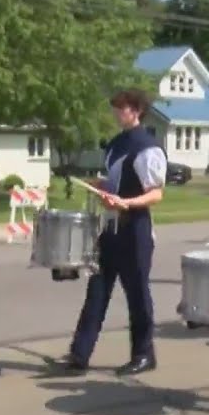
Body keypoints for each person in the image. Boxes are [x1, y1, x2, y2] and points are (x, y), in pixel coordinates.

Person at [53, 89, 167, 377]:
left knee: (137, 294)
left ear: (137, 110)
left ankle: (144, 354)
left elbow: (155, 194)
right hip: (111, 229)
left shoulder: (147, 146)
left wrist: (126, 202)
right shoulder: (116, 144)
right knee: (97, 290)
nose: (117, 113)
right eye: (115, 108)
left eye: (122, 108)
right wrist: (102, 186)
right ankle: (80, 354)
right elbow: (116, 182)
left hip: (136, 229)